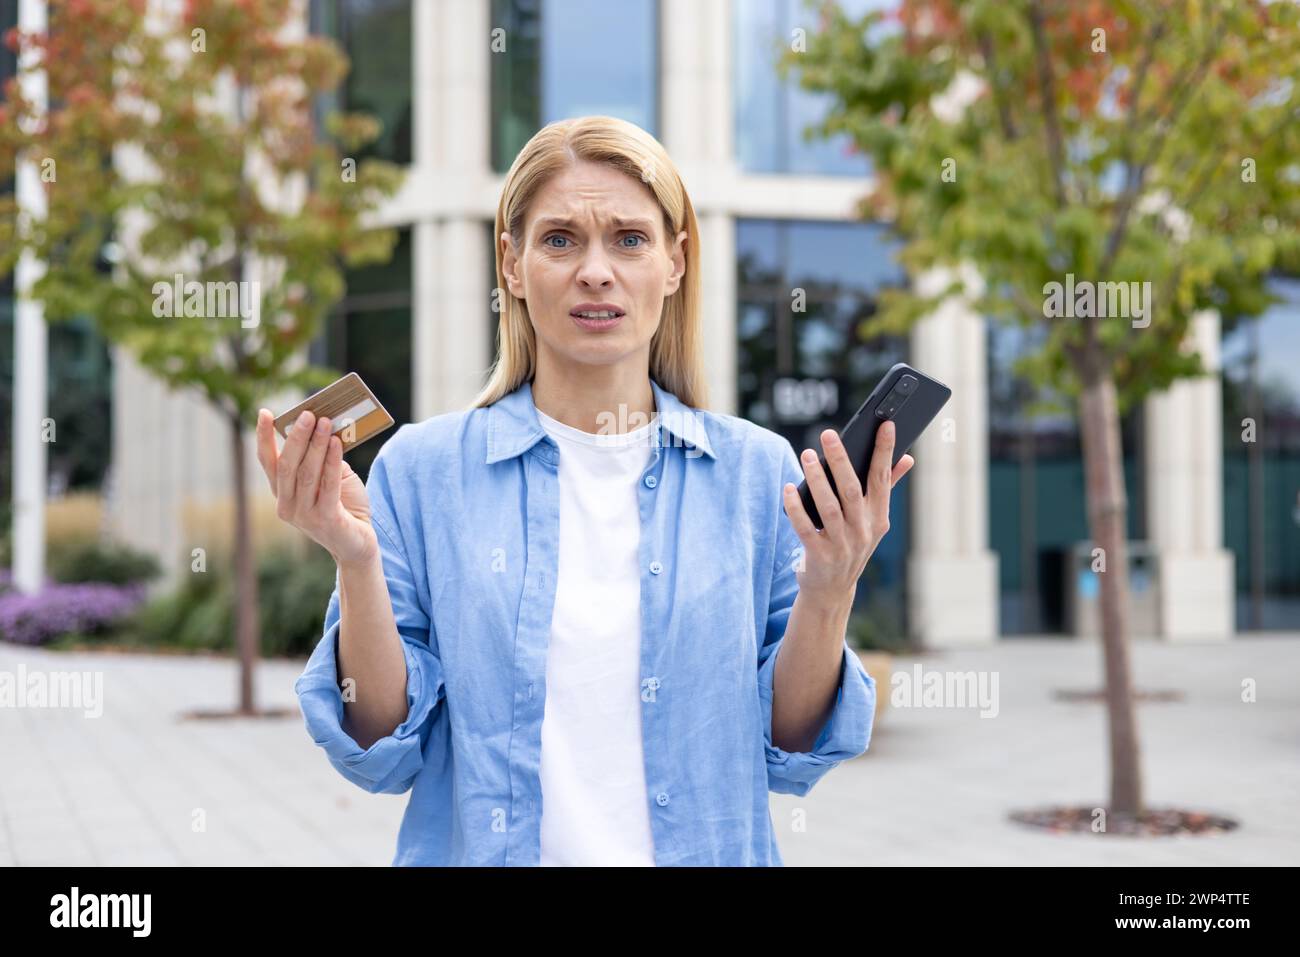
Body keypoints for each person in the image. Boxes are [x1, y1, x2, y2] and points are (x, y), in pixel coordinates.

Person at [256, 114, 913, 866]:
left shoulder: (758, 474)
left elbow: (792, 746)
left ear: (675, 261)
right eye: (560, 239)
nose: (595, 270)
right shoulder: (421, 471)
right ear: (512, 263)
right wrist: (355, 559)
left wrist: (830, 590)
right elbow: (377, 743)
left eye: (629, 239)